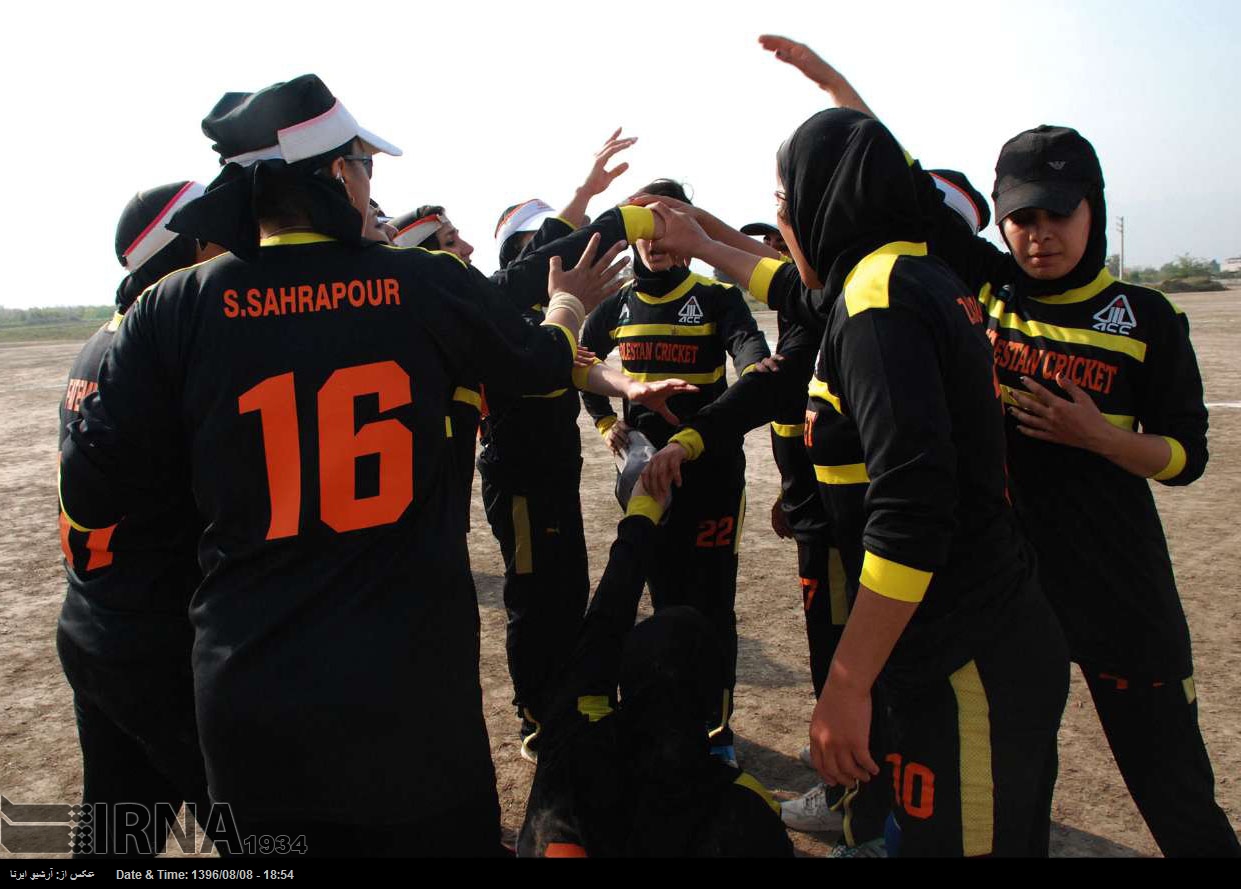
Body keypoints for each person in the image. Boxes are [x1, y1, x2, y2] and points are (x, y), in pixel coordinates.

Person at [58, 73, 652, 857]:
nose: (371, 179)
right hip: (409, 696)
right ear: (337, 174)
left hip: (248, 694)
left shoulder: (175, 307)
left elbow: (101, 480)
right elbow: (539, 361)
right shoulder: (423, 286)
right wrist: (568, 304)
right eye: (366, 163)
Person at [764, 34, 1239, 858]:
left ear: (1094, 209)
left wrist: (1100, 437)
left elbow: (1188, 455)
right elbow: (885, 182)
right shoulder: (986, 286)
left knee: (1175, 795)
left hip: (1118, 589)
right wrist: (839, 89)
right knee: (1020, 783)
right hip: (1014, 590)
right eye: (1021, 216)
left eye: (1058, 214)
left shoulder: (1144, 317)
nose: (1038, 234)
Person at [643, 108, 1070, 857]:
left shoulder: (879, 301)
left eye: (784, 199)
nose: (781, 216)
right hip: (979, 636)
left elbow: (911, 513)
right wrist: (703, 242)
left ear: (824, 196)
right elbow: (796, 292)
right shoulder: (897, 274)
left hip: (963, 652)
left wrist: (847, 683)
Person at [580, 178, 772, 766]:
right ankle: (670, 720)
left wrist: (747, 379)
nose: (654, 239)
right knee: (663, 601)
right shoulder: (615, 307)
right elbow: (579, 361)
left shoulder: (717, 299)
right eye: (642, 225)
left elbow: (755, 365)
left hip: (711, 474)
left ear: (685, 233)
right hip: (650, 485)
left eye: (665, 224)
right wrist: (603, 421)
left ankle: (716, 731)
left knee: (710, 604)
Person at [57, 182, 223, 857]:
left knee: (113, 841)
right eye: (221, 229)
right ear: (187, 250)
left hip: (97, 626)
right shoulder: (171, 352)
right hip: (162, 650)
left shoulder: (103, 341)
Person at [517, 467, 792, 858]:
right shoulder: (743, 806)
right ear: (710, 698)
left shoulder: (574, 747)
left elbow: (602, 628)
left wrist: (642, 514)